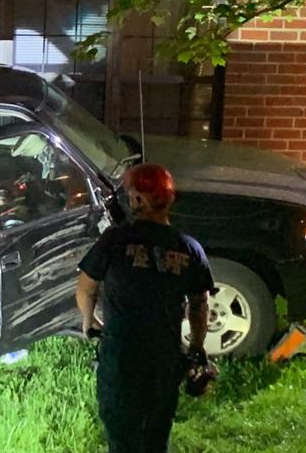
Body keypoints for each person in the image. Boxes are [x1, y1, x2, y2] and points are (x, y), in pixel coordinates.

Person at [75, 163, 214, 453]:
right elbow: (199, 305)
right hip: (164, 360)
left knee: (121, 435)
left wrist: (89, 321)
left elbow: (86, 289)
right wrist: (197, 346)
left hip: (121, 359)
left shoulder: (114, 240)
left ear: (138, 200)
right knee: (155, 434)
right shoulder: (189, 249)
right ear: (169, 199)